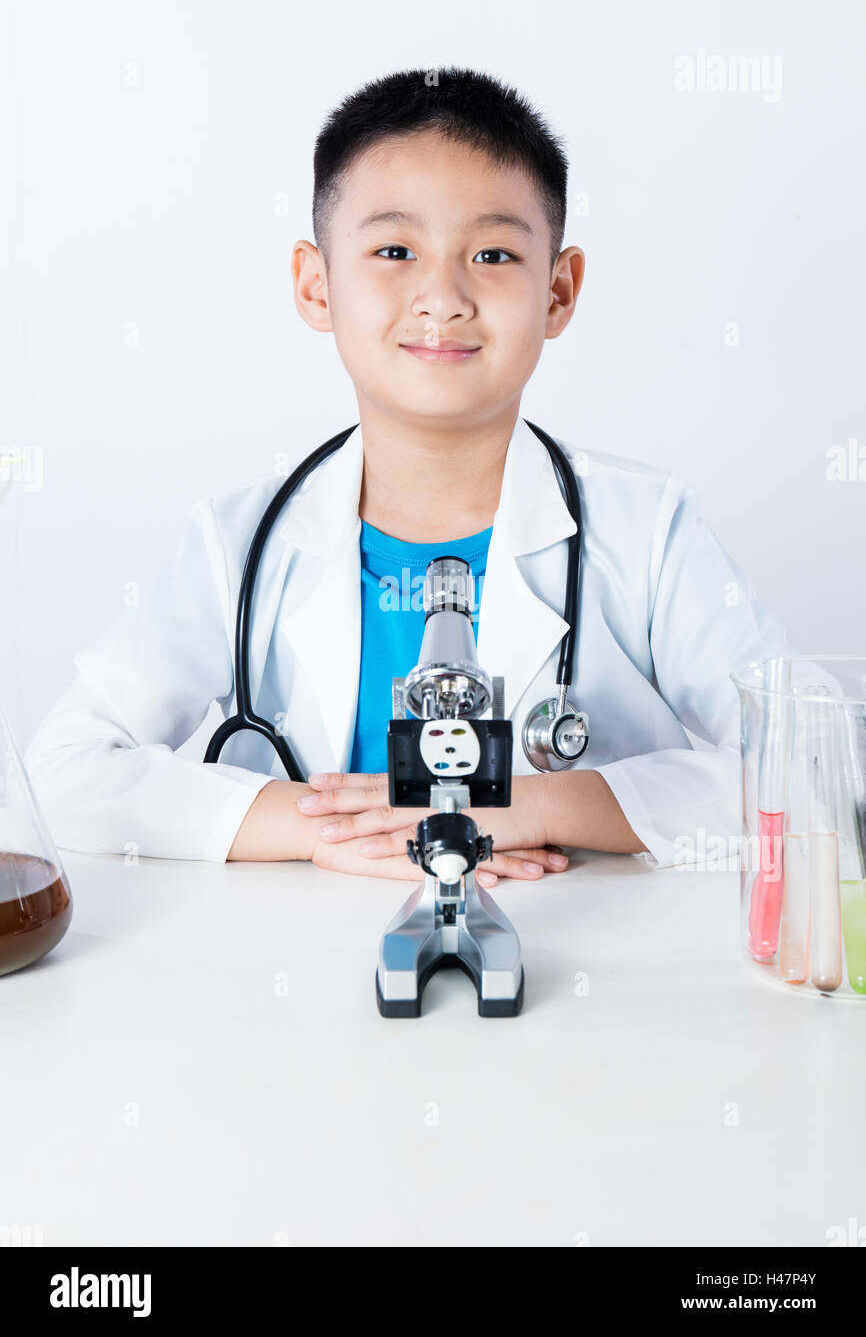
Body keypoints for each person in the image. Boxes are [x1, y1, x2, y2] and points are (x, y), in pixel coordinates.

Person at [24, 66, 794, 886]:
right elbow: (63, 767)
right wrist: (310, 826)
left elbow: (813, 767)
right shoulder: (238, 544)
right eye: (395, 251)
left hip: (592, 979)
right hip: (306, 983)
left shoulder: (648, 530)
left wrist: (538, 803)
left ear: (559, 292)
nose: (442, 295)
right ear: (315, 285)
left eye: (493, 253)